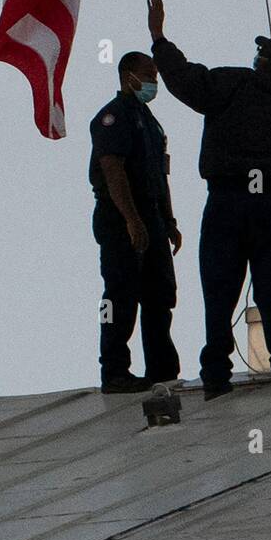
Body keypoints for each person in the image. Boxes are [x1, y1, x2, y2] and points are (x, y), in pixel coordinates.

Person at [146, 0, 271, 398]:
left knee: (220, 289)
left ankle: (215, 375)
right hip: (269, 205)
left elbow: (186, 79)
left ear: (263, 63)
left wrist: (158, 39)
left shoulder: (234, 85)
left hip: (228, 201)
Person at [88, 50, 182, 393]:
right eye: (148, 73)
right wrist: (131, 219)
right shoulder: (113, 117)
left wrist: (168, 221)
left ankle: (162, 369)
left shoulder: (151, 122)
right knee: (121, 293)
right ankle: (114, 370)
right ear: (129, 75)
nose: (154, 80)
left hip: (153, 216)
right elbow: (113, 169)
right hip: (120, 217)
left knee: (160, 295)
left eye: (155, 74)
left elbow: (160, 173)